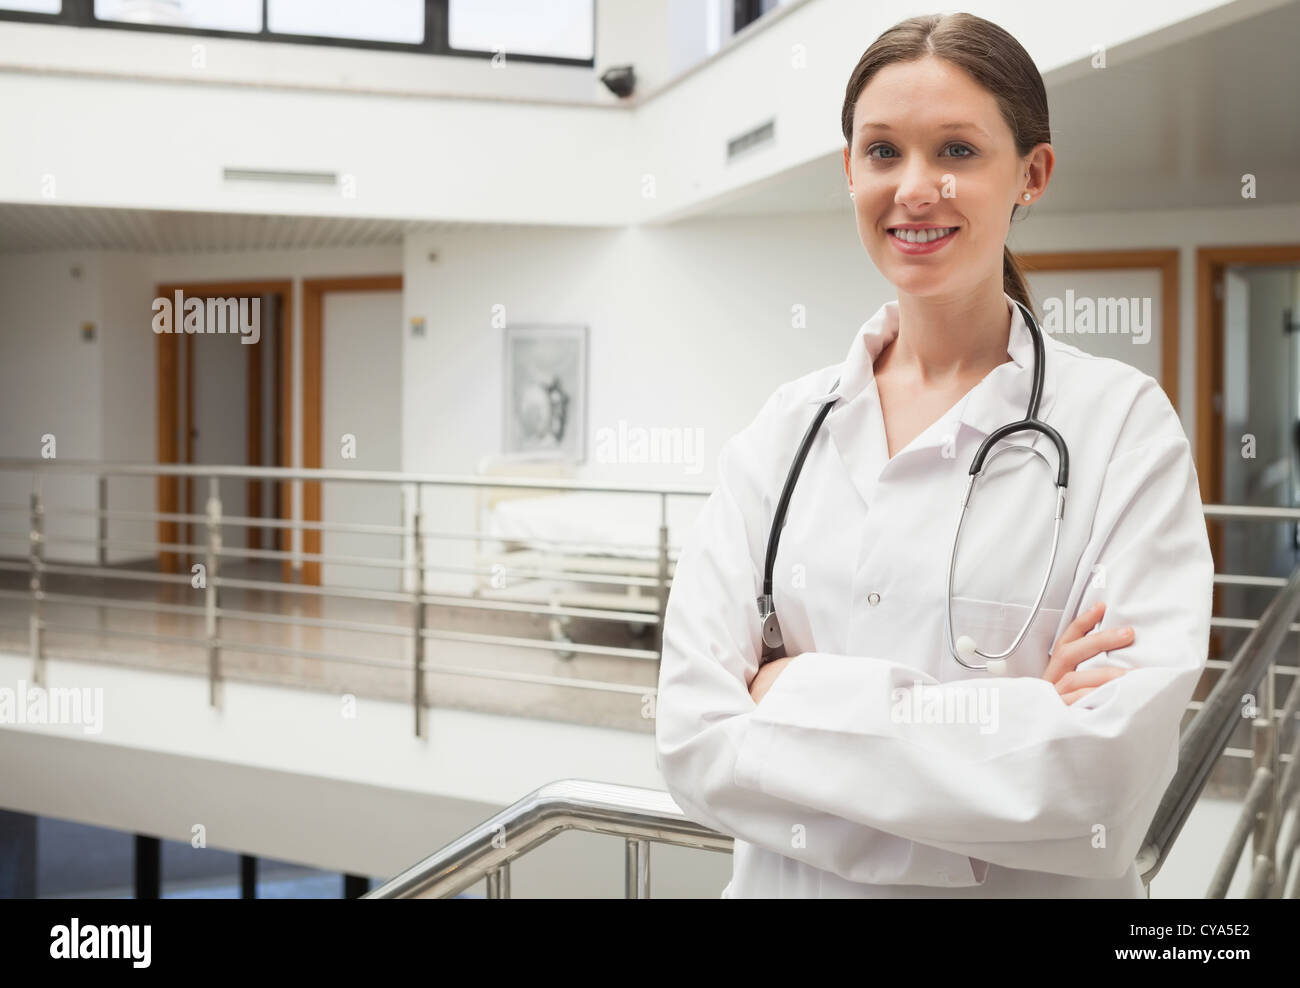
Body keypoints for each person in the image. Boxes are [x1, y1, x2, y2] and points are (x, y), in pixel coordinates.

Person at [653, 11, 1214, 898]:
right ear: (848, 170)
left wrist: (791, 695)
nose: (915, 188)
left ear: (1032, 174)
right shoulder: (781, 433)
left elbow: (1103, 787)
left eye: (956, 151)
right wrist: (1015, 724)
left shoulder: (1121, 427)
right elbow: (690, 739)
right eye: (882, 152)